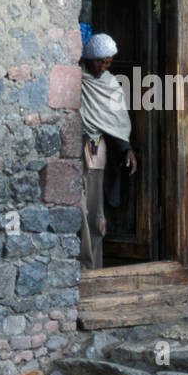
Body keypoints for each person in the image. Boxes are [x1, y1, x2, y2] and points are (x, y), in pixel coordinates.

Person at [78, 32, 137, 270]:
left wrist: (127, 149)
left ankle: (92, 269)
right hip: (76, 150)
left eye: (108, 62)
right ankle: (79, 266)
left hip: (96, 153)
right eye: (99, 61)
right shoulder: (76, 78)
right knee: (77, 212)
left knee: (95, 214)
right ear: (88, 58)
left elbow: (117, 120)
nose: (103, 67)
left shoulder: (111, 84)